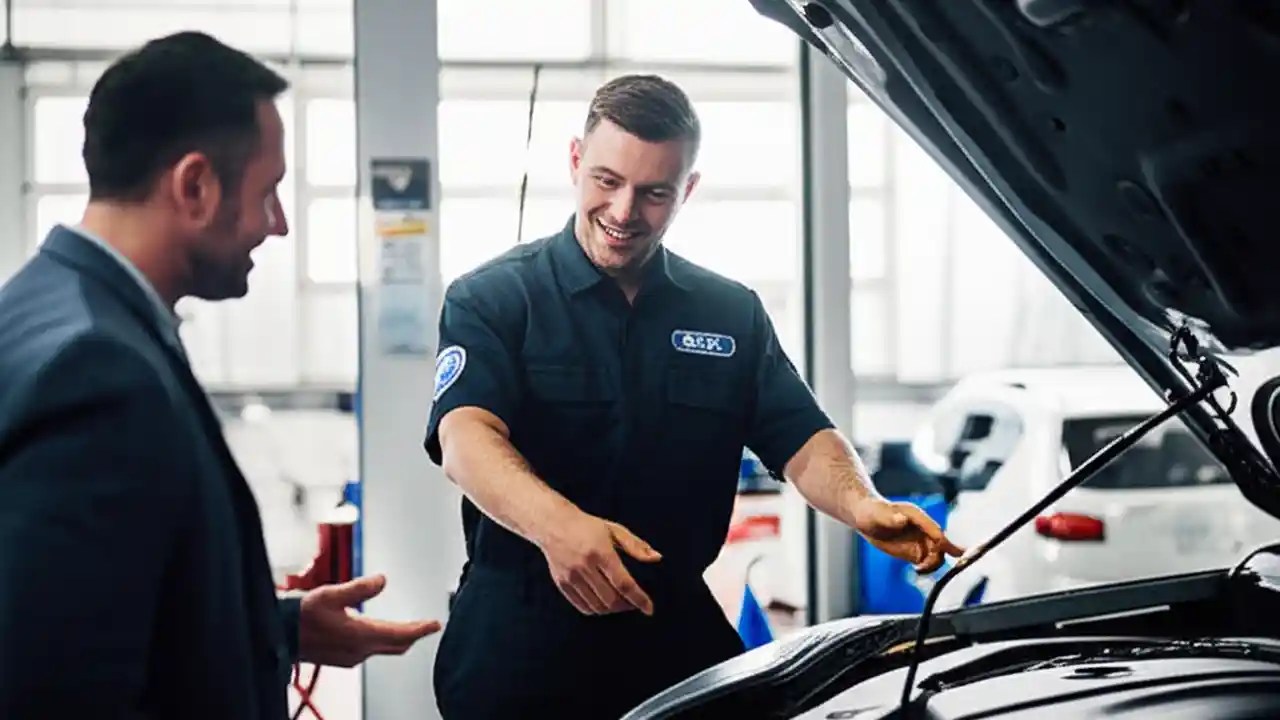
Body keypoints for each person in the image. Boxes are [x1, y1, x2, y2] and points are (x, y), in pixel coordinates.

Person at [424, 74, 964, 719]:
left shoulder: (729, 312)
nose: (624, 212)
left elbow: (800, 435)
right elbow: (465, 439)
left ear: (688, 190)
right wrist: (562, 530)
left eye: (654, 193)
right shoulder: (493, 299)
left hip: (672, 634)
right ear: (574, 160)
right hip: (518, 641)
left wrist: (864, 505)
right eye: (606, 181)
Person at [0, 32, 439, 718]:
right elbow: (58, 685)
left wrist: (280, 626)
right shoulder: (95, 374)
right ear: (196, 186)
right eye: (269, 192)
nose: (280, 224)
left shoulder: (48, 312)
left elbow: (110, 604)